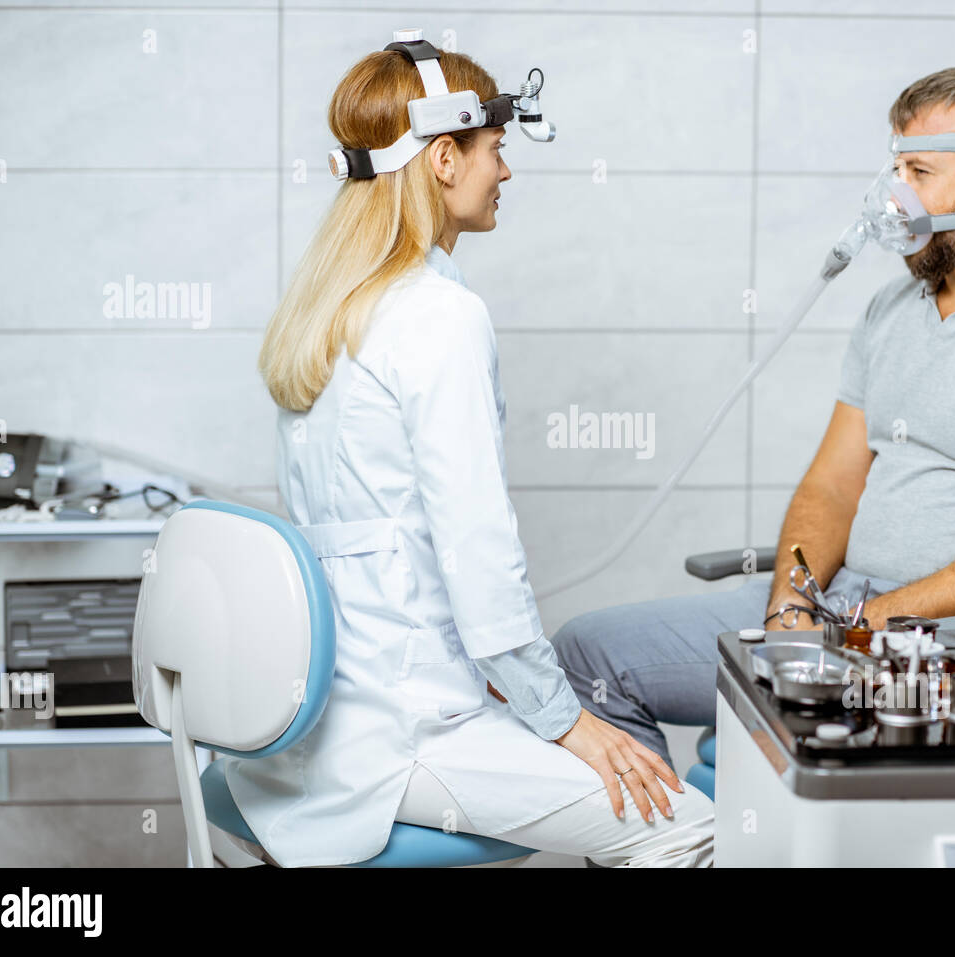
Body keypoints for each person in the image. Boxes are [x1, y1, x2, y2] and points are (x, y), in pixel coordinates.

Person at [552, 65, 955, 769]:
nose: (894, 196)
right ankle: (689, 845)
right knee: (586, 653)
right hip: (842, 614)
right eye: (895, 168)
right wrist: (790, 607)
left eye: (920, 171)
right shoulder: (893, 311)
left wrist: (869, 625)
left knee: (754, 748)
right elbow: (832, 487)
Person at [235, 41, 713, 867]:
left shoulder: (329, 312)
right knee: (692, 822)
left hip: (311, 729)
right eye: (498, 149)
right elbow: (477, 559)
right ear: (445, 157)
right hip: (408, 730)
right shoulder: (436, 316)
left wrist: (512, 693)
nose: (507, 171)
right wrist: (567, 722)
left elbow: (387, 557)